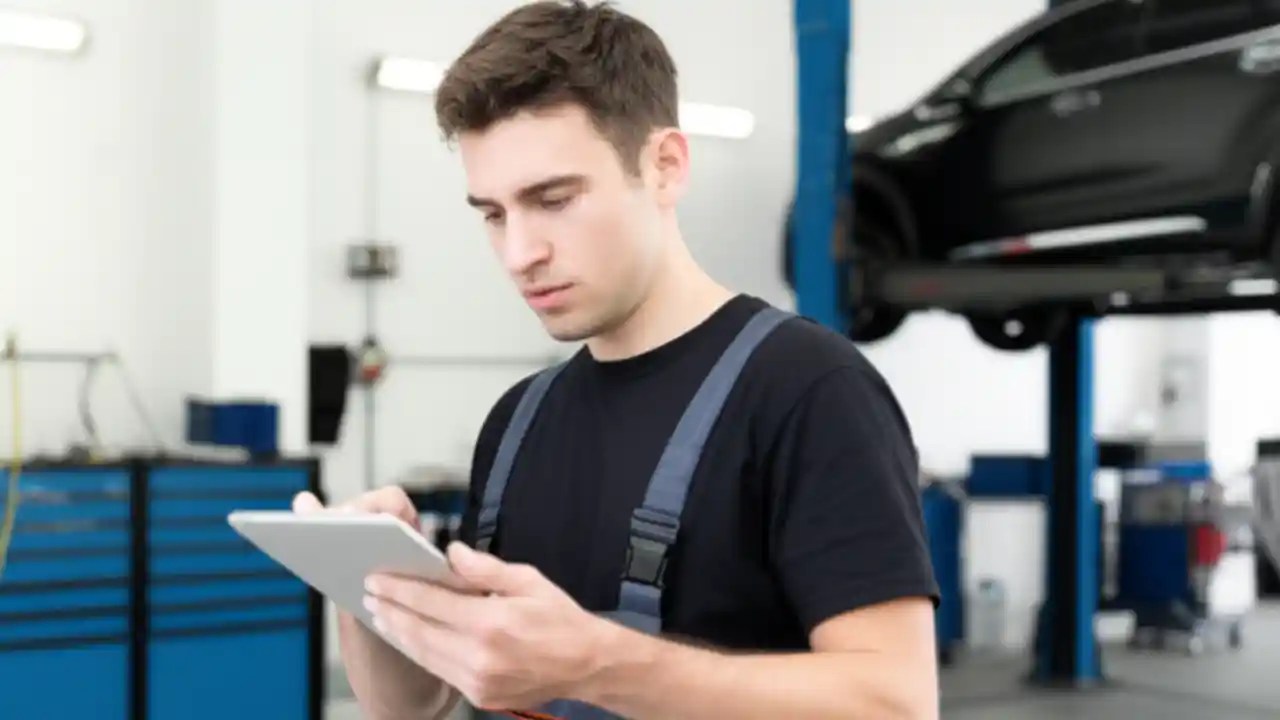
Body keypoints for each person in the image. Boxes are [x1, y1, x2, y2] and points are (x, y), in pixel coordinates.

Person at [293, 1, 940, 718]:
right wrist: (370, 590)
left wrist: (600, 663)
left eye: (554, 199)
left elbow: (896, 706)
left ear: (664, 165)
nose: (519, 253)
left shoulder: (809, 391)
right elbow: (415, 706)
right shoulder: (516, 424)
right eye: (494, 214)